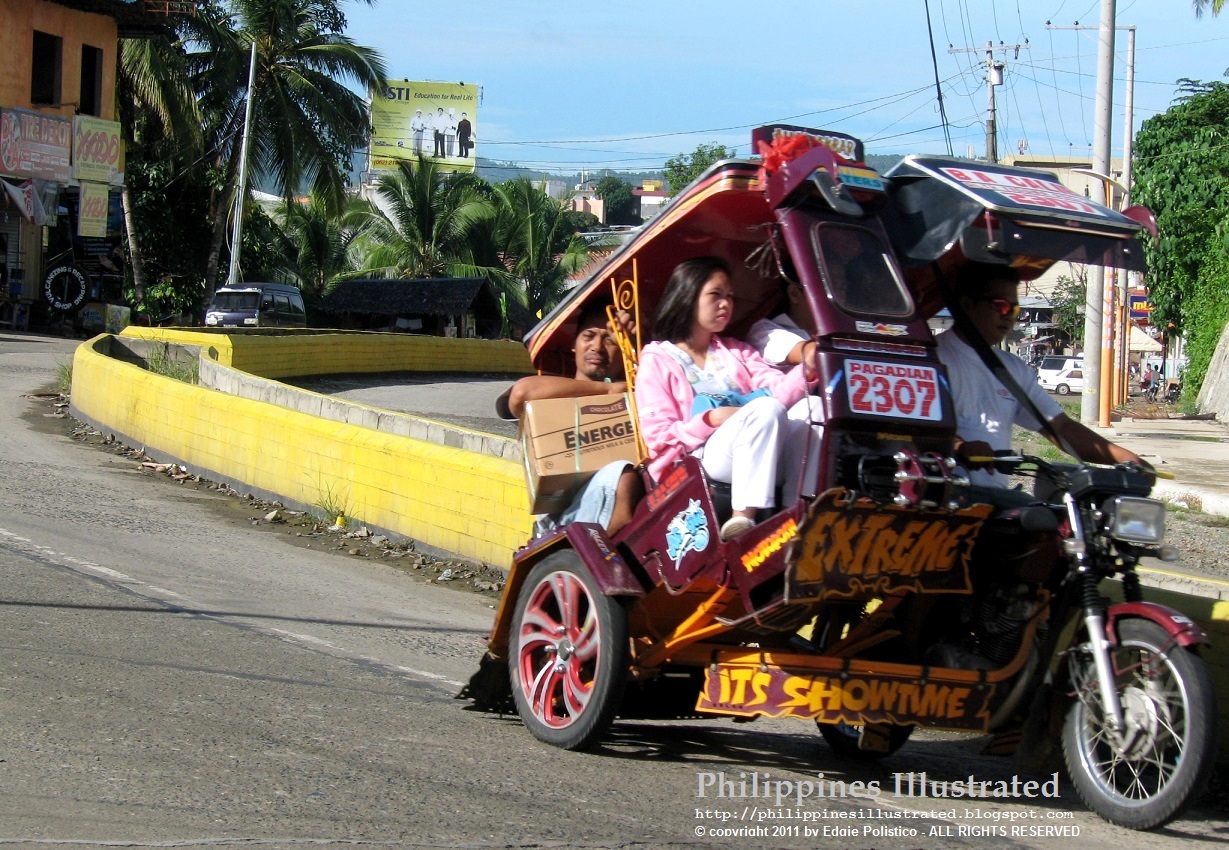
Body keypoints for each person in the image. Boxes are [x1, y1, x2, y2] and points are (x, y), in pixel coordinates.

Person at [635, 256, 817, 541]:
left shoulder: (737, 351)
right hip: (701, 457)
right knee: (764, 408)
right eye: (715, 295)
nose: (726, 304)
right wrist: (710, 420)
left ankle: (796, 509)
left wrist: (808, 367)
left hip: (756, 444)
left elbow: (780, 392)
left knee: (812, 406)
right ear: (688, 296)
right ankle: (742, 517)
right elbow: (659, 437)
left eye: (730, 297)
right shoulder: (658, 359)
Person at [936, 264, 1148, 500]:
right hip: (940, 494)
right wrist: (959, 446)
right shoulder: (933, 358)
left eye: (1014, 309)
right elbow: (909, 429)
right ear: (967, 305)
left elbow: (1060, 427)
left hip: (992, 499)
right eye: (1000, 306)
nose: (1008, 316)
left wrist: (1127, 459)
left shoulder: (1013, 369)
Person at [497, 303, 642, 537]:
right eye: (589, 336)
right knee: (623, 476)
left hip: (609, 502)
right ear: (574, 345)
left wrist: (639, 341)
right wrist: (607, 391)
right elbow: (521, 394)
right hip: (562, 520)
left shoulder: (633, 396)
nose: (597, 346)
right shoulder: (555, 394)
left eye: (610, 340)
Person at [746, 277, 826, 497]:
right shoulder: (766, 331)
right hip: (780, 439)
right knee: (815, 406)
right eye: (825, 286)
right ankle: (797, 506)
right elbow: (808, 354)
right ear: (794, 294)